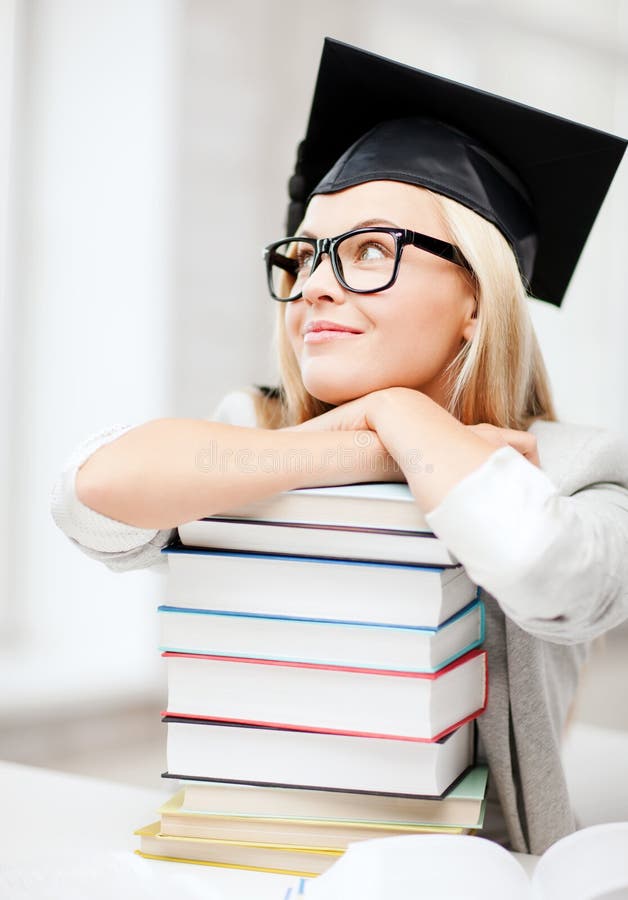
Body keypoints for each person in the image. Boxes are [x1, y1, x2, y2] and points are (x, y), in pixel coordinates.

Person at [50, 39, 628, 856]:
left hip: (471, 868)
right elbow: (87, 495)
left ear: (476, 295)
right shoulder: (258, 431)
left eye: (368, 251)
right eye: (305, 253)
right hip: (248, 854)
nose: (315, 283)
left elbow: (552, 573)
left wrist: (403, 412)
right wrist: (358, 445)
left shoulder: (576, 468)